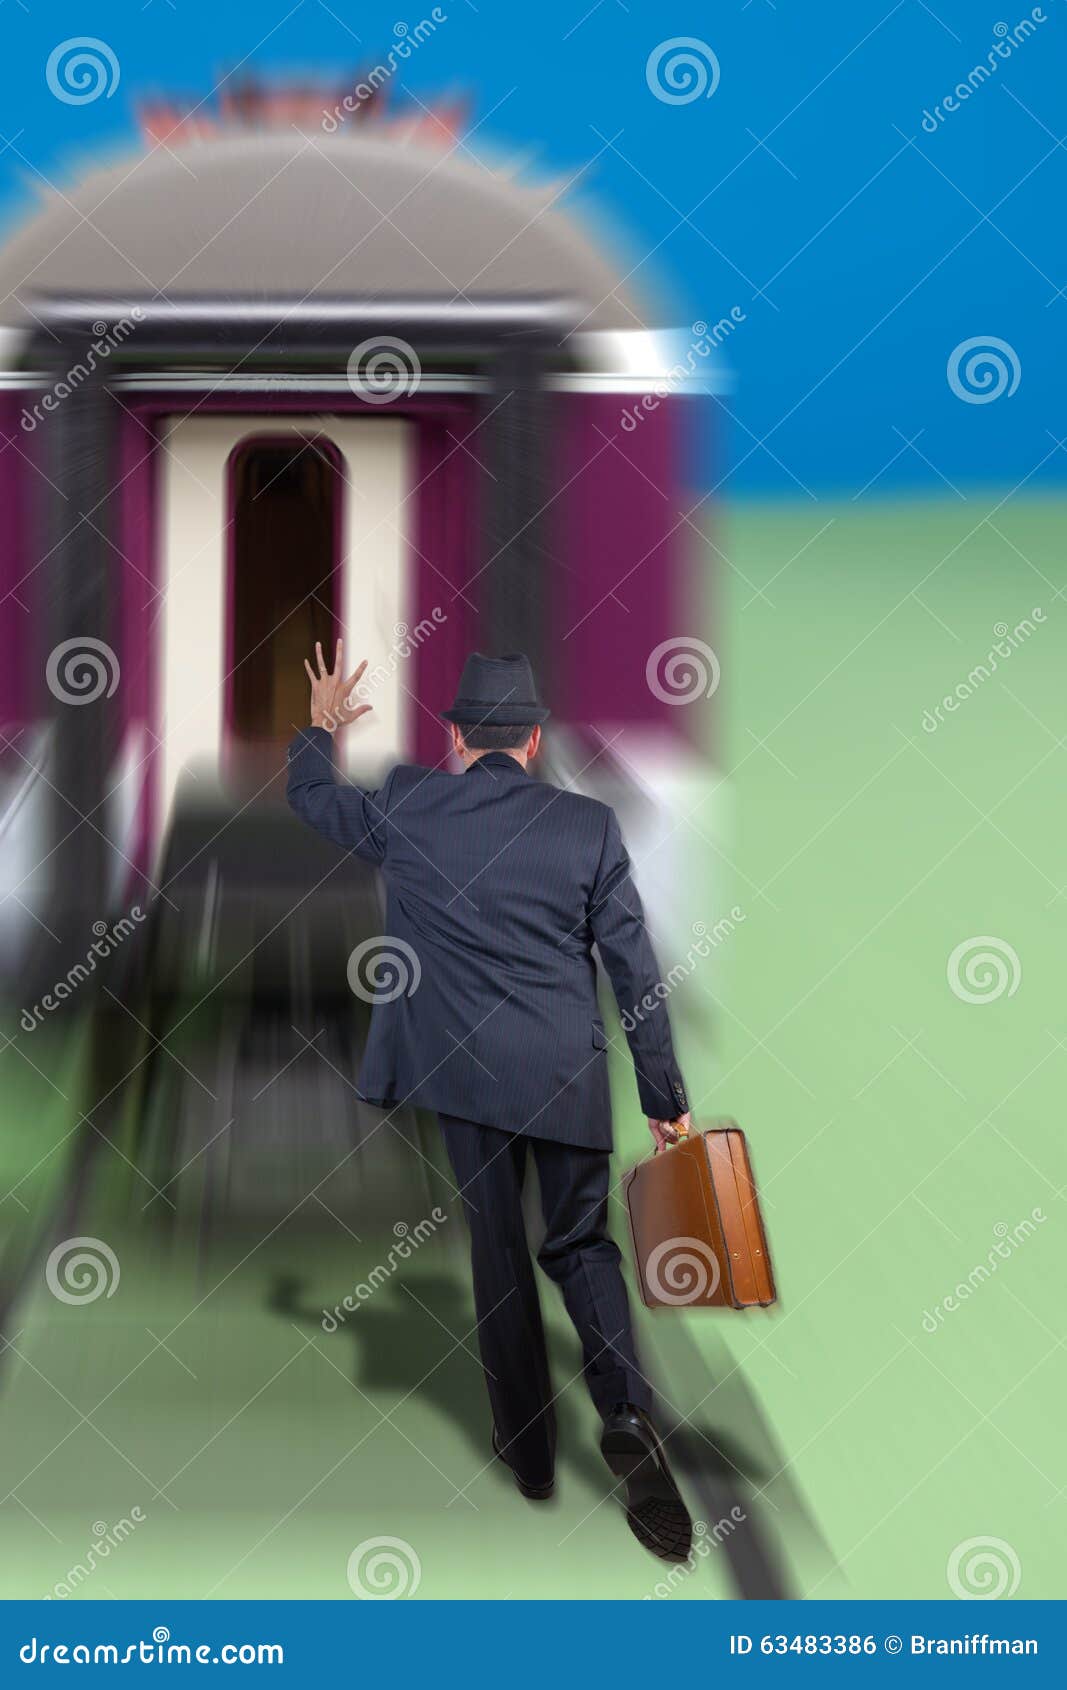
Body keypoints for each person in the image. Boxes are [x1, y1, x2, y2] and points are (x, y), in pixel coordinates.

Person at [287, 644, 694, 1561]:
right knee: (582, 1247)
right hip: (564, 1074)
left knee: (499, 1254)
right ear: (536, 740)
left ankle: (530, 1457)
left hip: (467, 1081)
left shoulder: (411, 804)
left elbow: (312, 800)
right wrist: (663, 1097)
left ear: (455, 738)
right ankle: (624, 1413)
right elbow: (633, 969)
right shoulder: (587, 828)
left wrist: (319, 727)